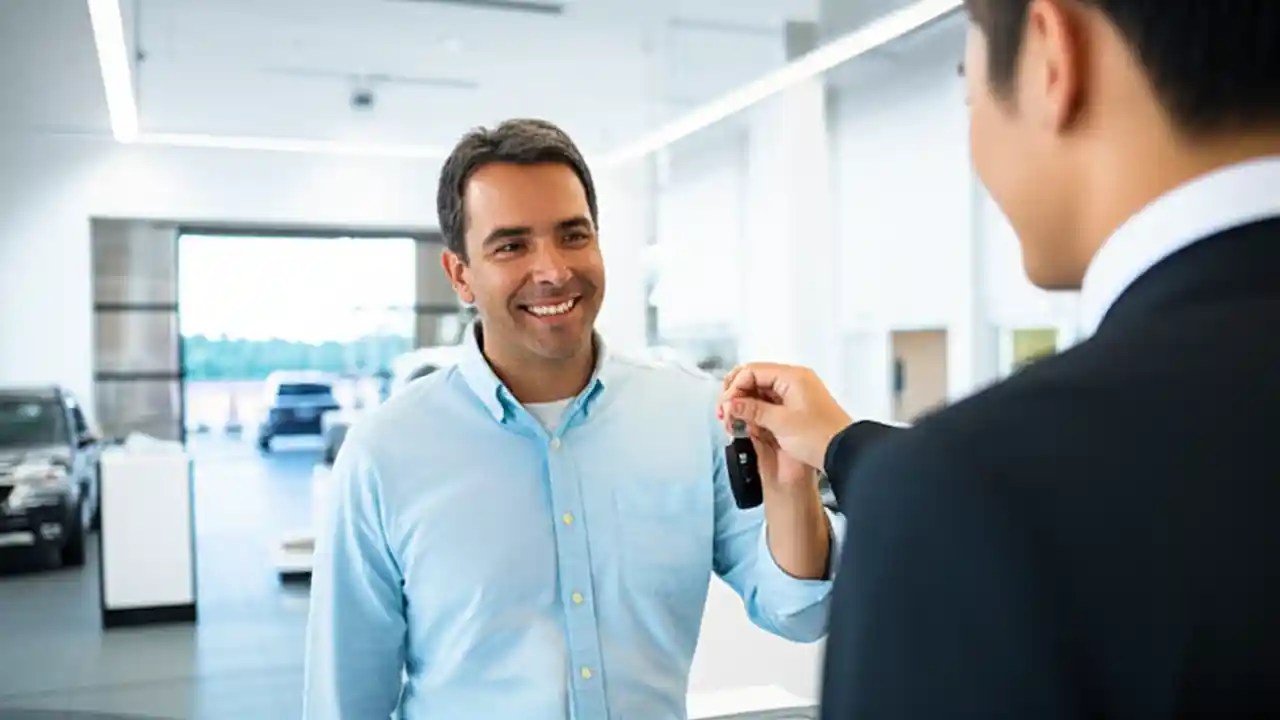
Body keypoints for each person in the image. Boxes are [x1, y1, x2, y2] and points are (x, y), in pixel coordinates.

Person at [722, 1, 1280, 717]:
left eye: (968, 89)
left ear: (1051, 56)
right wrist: (847, 446)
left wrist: (916, 488)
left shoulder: (969, 497)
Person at [303, 119, 843, 719]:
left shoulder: (695, 415)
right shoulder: (385, 452)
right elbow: (344, 700)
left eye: (572, 235)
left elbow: (799, 612)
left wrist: (792, 486)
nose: (554, 270)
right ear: (460, 275)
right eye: (512, 246)